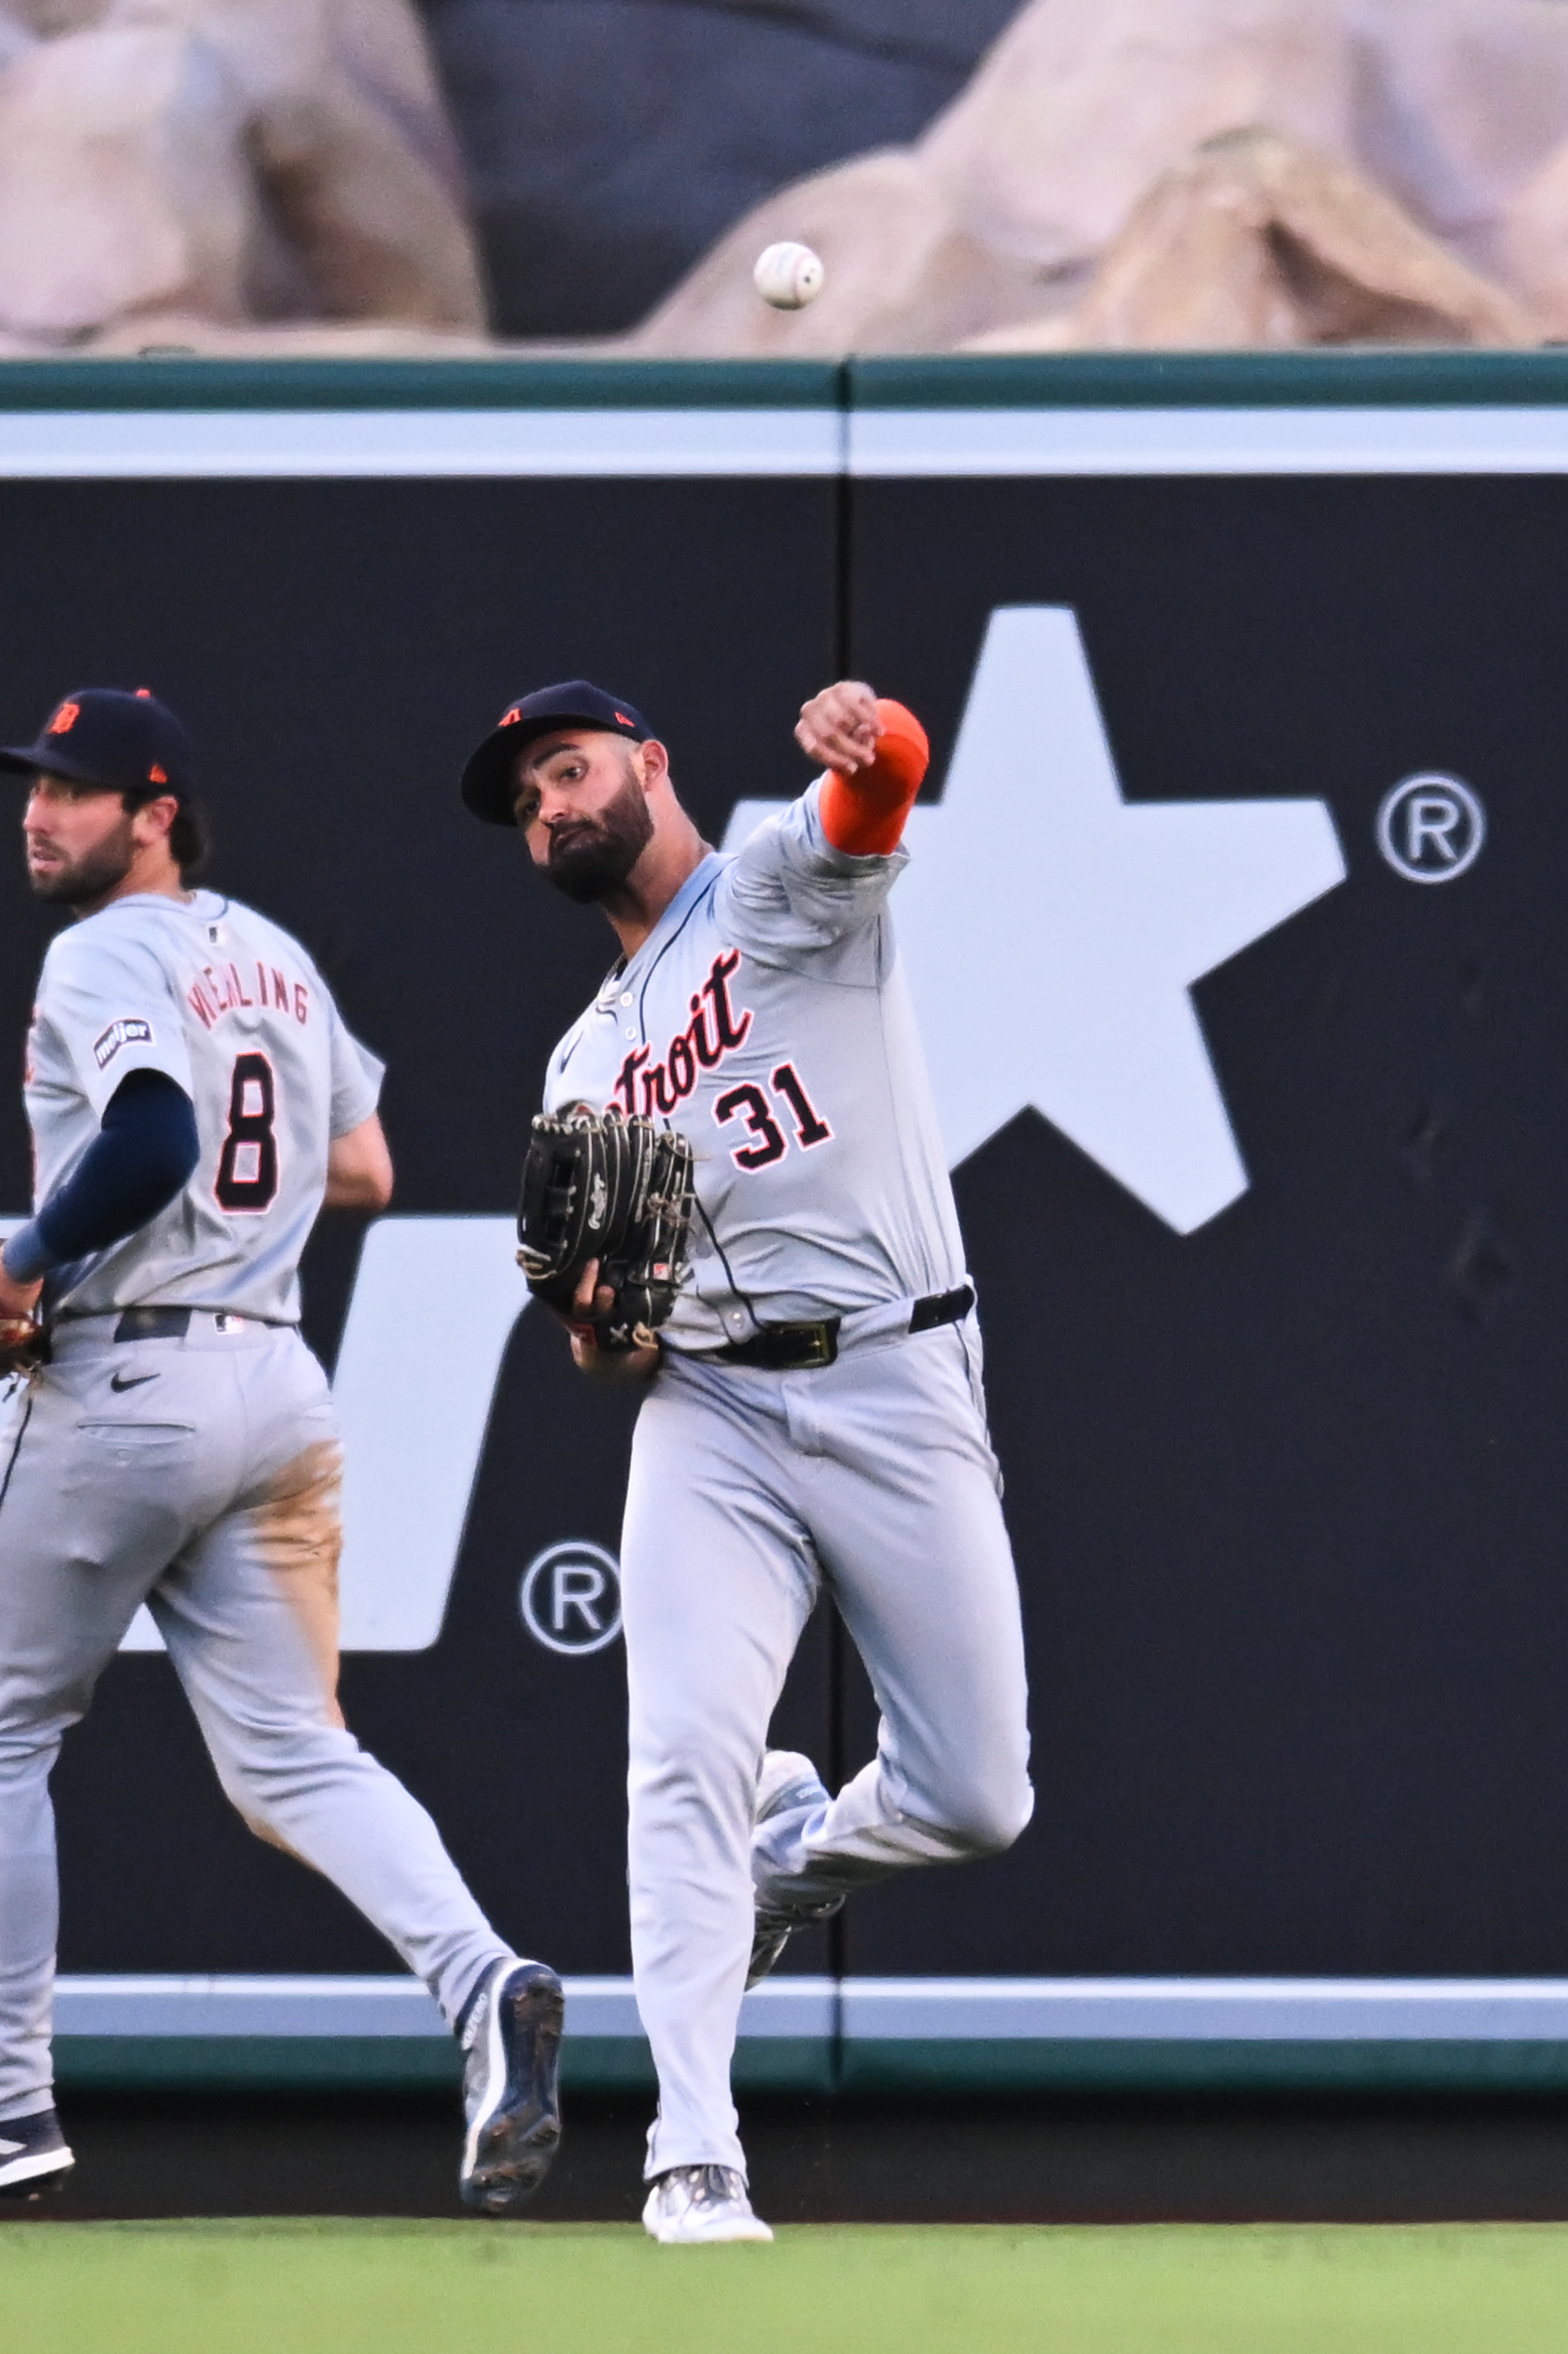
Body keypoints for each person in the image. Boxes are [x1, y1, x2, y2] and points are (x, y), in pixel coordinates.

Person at [0, 685, 563, 2216]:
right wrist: (224, 1237)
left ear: (156, 812)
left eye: (76, 791)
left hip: (130, 1384)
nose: (40, 814)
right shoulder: (280, 959)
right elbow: (366, 1165)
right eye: (33, 787)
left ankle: (5, 2104)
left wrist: (23, 1262)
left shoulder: (102, 947)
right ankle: (484, 1982)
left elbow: (160, 1137)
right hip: (275, 1386)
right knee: (296, 1754)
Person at [460, 679, 1035, 2244]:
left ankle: (783, 1866)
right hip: (707, 1410)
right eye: (525, 804)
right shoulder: (581, 1066)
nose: (549, 811)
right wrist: (597, 1328)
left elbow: (878, 791)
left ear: (653, 760)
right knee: (684, 1756)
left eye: (567, 772)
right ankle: (691, 2145)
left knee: (980, 1794)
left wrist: (884, 735)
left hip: (895, 1370)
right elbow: (617, 1352)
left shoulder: (776, 882)